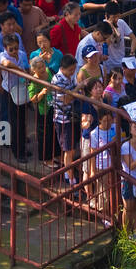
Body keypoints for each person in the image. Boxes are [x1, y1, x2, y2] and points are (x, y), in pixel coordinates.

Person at [0, 32, 31, 162]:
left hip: (21, 89)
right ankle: (17, 152)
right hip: (9, 91)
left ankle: (22, 148)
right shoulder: (2, 55)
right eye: (11, 49)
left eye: (16, 48)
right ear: (6, 48)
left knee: (22, 120)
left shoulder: (22, 54)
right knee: (15, 121)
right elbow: (6, 64)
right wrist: (20, 70)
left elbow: (27, 68)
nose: (14, 51)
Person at [51, 54, 78, 184]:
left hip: (71, 117)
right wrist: (78, 88)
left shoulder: (69, 77)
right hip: (62, 119)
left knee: (71, 148)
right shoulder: (57, 80)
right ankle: (69, 176)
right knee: (68, 149)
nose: (72, 72)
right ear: (63, 68)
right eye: (71, 70)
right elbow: (66, 99)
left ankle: (69, 172)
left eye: (74, 69)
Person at [29, 54, 57, 168]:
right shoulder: (34, 80)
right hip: (43, 109)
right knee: (45, 134)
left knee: (54, 131)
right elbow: (33, 99)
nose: (42, 69)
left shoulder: (49, 72)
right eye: (39, 67)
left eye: (43, 66)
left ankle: (55, 155)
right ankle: (46, 158)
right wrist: (41, 94)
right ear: (34, 69)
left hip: (53, 106)